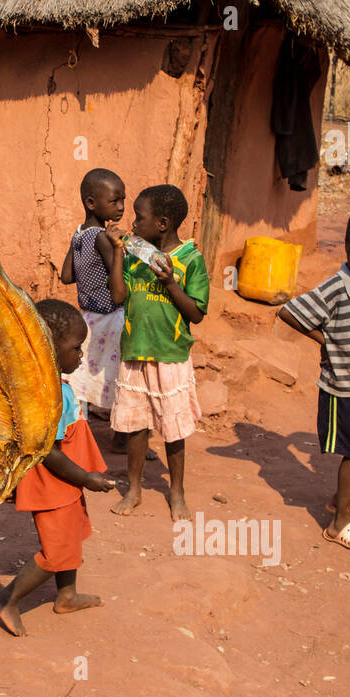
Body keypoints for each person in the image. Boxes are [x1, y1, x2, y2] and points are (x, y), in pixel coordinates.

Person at [0, 299, 116, 637]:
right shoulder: (48, 395)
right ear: (49, 345)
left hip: (67, 480)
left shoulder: (51, 383)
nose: (80, 355)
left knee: (72, 535)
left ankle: (67, 595)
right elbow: (49, 452)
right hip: (55, 482)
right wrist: (86, 477)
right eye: (76, 347)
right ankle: (8, 598)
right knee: (57, 550)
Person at [279, 206, 350, 551]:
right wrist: (326, 341)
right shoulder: (337, 286)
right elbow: (290, 312)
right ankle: (339, 522)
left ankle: (344, 499)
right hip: (343, 388)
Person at [108, 184, 209, 519]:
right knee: (137, 426)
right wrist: (118, 253)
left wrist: (169, 284)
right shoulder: (137, 254)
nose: (133, 223)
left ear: (162, 223)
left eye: (140, 218)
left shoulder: (190, 261)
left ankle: (176, 492)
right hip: (135, 352)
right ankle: (134, 488)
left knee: (173, 428)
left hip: (170, 355)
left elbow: (195, 313)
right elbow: (119, 297)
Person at [59, 168, 132, 454]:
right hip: (111, 317)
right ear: (92, 203)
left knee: (82, 376)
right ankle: (124, 438)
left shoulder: (79, 234)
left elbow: (66, 276)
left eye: (123, 200)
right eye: (115, 201)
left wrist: (74, 247)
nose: (121, 207)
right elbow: (118, 292)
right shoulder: (103, 238)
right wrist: (118, 254)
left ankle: (78, 437)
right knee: (122, 376)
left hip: (87, 318)